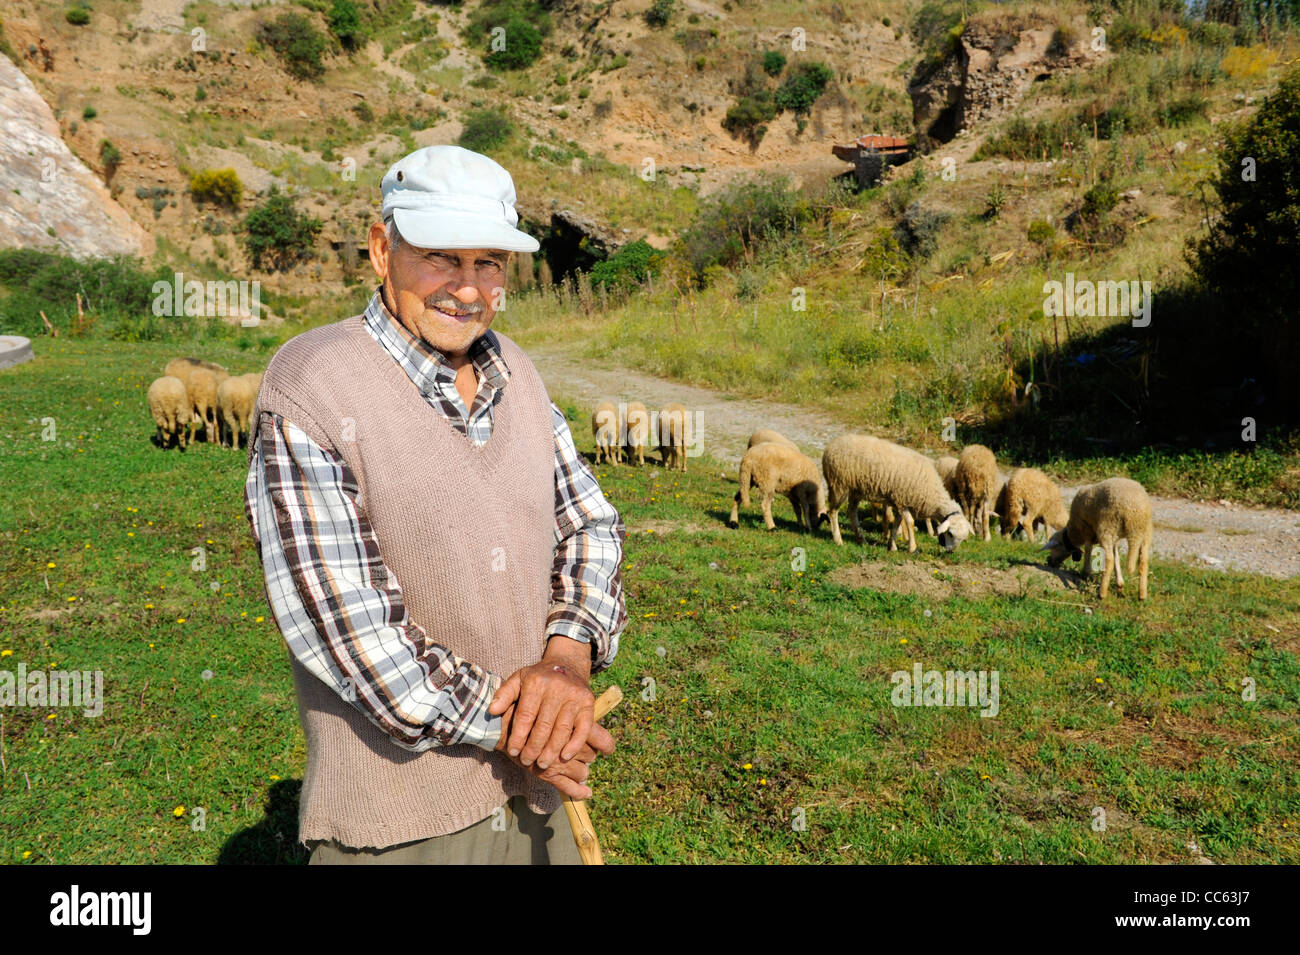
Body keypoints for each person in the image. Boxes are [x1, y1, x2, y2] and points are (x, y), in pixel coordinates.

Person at [241, 144, 627, 864]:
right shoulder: (310, 387)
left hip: (540, 799)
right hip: (402, 825)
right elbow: (358, 638)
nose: (468, 287)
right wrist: (534, 727)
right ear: (383, 249)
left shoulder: (518, 371)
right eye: (441, 257)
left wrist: (568, 660)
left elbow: (589, 527)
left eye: (489, 262)